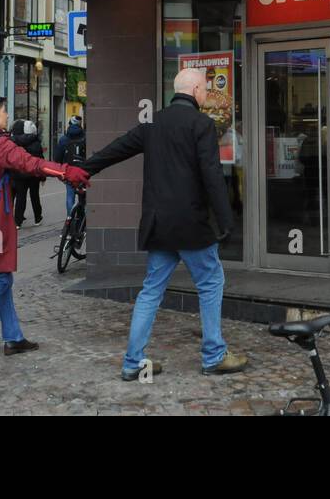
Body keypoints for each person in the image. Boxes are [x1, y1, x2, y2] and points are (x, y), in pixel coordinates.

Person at [83, 68, 247, 381]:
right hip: (190, 224)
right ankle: (213, 355)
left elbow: (116, 150)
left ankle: (133, 362)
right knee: (211, 282)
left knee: (151, 290)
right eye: (204, 90)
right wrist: (227, 220)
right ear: (197, 90)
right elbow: (212, 177)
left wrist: (83, 169)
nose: (205, 94)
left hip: (158, 224)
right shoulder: (202, 124)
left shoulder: (152, 122)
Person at [0, 94, 89, 365]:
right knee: (1, 280)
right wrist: (66, 172)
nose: (7, 116)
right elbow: (31, 163)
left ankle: (13, 337)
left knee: (1, 276)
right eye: (3, 111)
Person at [9, 118, 44, 227]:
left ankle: (18, 221)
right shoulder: (36, 143)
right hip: (33, 173)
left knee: (20, 196)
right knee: (34, 195)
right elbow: (40, 160)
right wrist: (42, 176)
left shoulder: (14, 142)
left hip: (19, 174)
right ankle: (37, 217)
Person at [54, 113, 86, 220]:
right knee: (83, 197)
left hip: (68, 170)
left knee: (70, 196)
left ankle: (70, 219)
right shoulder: (85, 136)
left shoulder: (64, 139)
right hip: (82, 171)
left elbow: (58, 156)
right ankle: (82, 221)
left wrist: (59, 169)